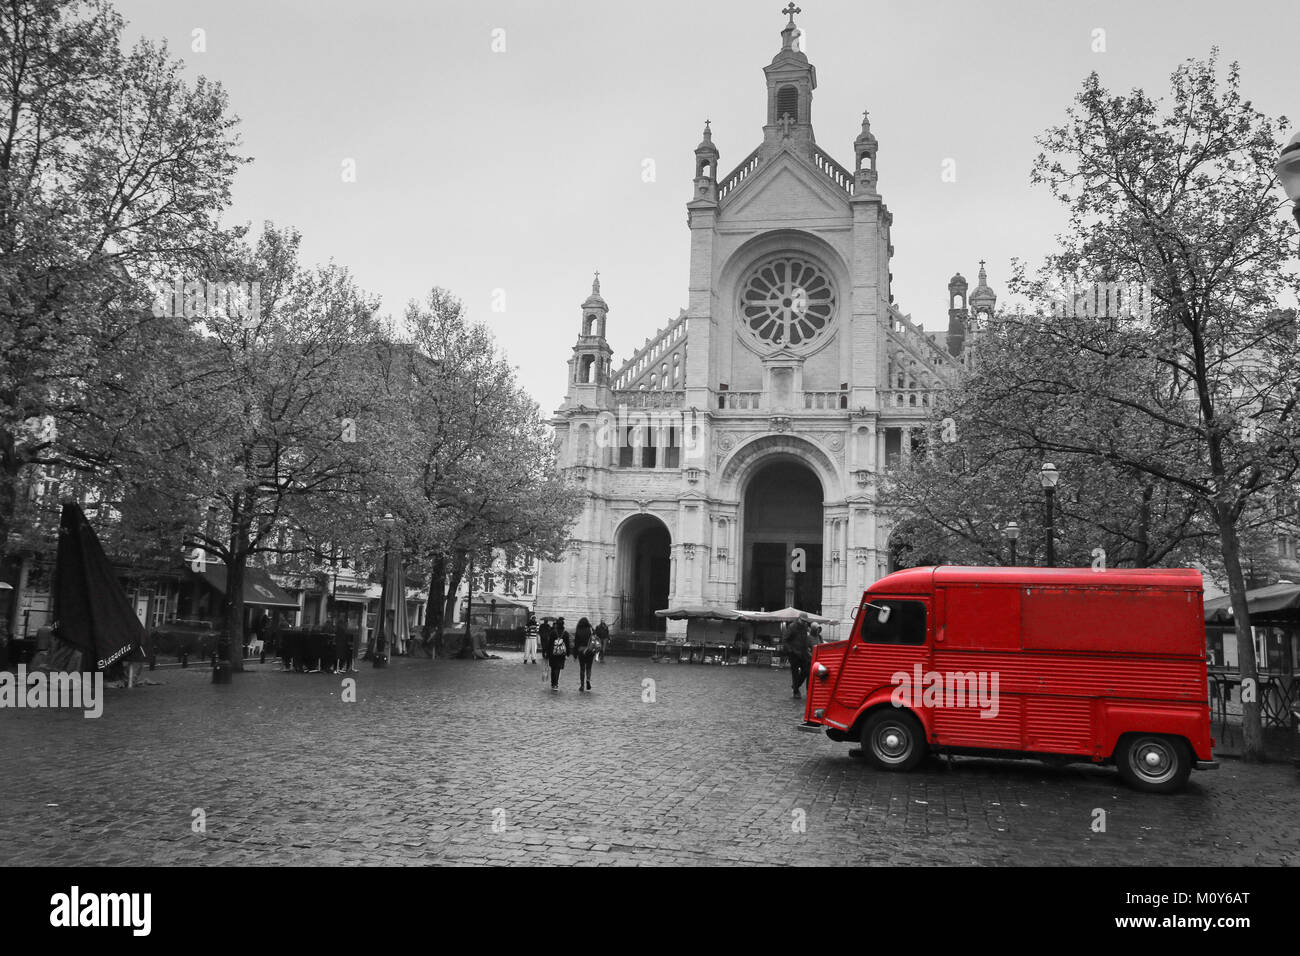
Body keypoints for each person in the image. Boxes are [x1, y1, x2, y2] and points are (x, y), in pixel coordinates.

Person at [784, 619, 813, 698]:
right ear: (799, 619)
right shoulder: (792, 627)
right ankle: (796, 691)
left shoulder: (805, 627)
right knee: (795, 673)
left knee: (806, 671)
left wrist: (807, 649)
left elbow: (805, 639)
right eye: (803, 621)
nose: (804, 622)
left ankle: (795, 686)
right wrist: (790, 650)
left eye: (805, 621)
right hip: (793, 654)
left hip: (803, 653)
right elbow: (785, 639)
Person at [573, 617, 596, 691]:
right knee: (589, 667)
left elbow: (576, 643)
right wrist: (591, 626)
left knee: (582, 668)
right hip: (589, 650)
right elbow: (595, 636)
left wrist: (575, 654)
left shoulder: (578, 630)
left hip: (581, 651)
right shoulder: (590, 630)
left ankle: (582, 685)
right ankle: (588, 680)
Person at [547, 618, 570, 691]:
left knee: (553, 668)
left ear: (556, 625)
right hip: (561, 653)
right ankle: (555, 684)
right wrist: (568, 653)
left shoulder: (553, 632)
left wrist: (547, 653)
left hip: (553, 652)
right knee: (558, 668)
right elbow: (567, 644)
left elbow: (549, 643)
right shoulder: (565, 633)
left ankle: (553, 683)